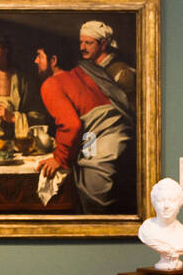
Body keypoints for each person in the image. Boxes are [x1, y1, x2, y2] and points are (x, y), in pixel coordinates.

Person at [35, 40, 135, 214]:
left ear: (54, 60)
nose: (35, 61)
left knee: (97, 203)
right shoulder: (84, 72)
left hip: (105, 139)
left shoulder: (51, 84)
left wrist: (60, 158)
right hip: (111, 135)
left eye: (39, 56)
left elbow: (72, 125)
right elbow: (87, 128)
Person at [78, 20, 136, 98]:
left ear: (103, 44)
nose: (82, 48)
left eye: (88, 43)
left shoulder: (122, 72)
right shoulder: (86, 69)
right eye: (81, 42)